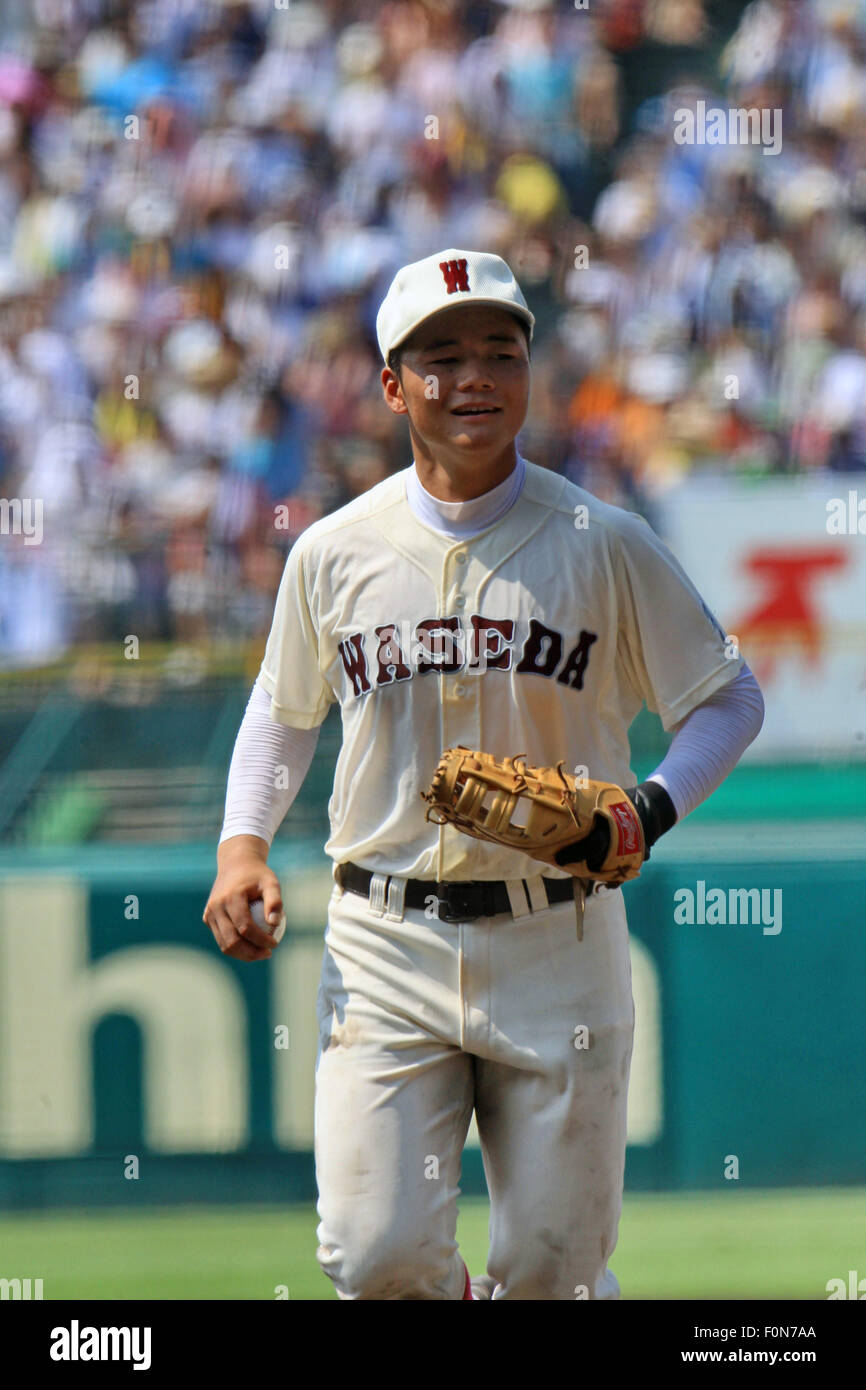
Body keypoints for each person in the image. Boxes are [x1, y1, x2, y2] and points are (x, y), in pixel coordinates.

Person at [204, 248, 765, 1300]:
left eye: (500, 353)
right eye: (441, 357)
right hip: (385, 934)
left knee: (554, 1266)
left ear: (529, 373)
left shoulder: (603, 540)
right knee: (375, 1257)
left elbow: (727, 698)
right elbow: (280, 719)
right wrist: (243, 846)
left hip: (558, 934)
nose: (473, 378)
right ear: (390, 384)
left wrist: (646, 808)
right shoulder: (332, 551)